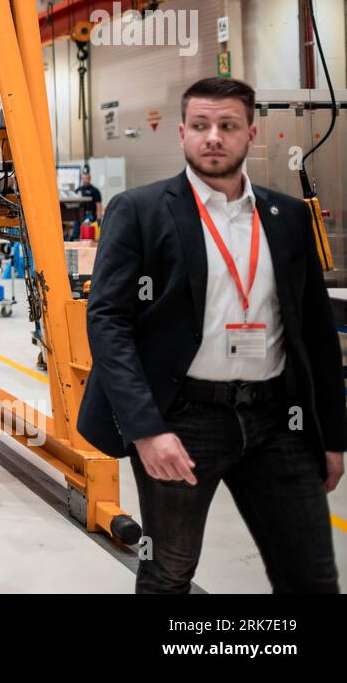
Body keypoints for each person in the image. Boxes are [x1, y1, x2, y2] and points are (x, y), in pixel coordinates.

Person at [81, 77, 345, 594]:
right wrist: (145, 429)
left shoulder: (287, 217)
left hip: (277, 421)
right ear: (181, 134)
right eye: (200, 126)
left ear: (251, 133)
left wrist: (332, 436)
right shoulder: (140, 211)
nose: (213, 137)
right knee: (170, 570)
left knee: (312, 574)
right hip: (182, 419)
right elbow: (108, 322)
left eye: (227, 126)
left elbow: (315, 334)